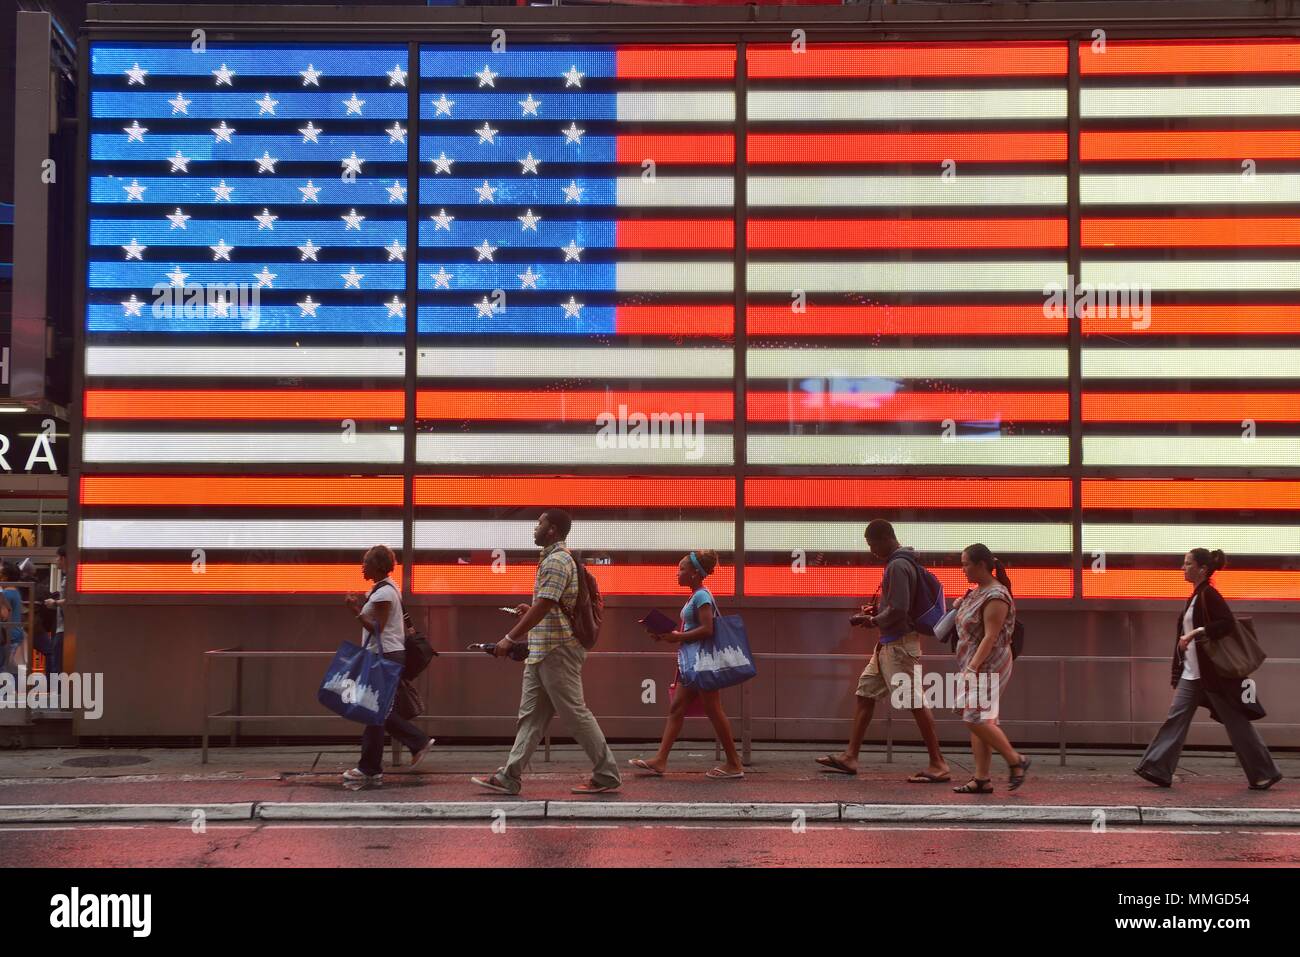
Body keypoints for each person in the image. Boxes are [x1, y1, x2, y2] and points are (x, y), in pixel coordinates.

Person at [472, 509, 622, 795]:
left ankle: (607, 774)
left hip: (558, 650)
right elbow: (548, 605)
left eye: (539, 523)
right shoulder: (553, 560)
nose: (535, 528)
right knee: (531, 717)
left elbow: (545, 604)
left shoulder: (557, 561)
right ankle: (510, 776)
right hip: (542, 650)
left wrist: (508, 638)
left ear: (552, 530)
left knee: (575, 714)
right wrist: (530, 612)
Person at [1135, 549, 1282, 791]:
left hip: (1213, 675)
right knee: (1176, 718)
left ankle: (1264, 772)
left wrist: (1196, 632)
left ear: (1202, 569)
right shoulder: (1194, 596)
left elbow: (1226, 623)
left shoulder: (1209, 594)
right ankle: (1157, 768)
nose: (1182, 568)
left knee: (1236, 722)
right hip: (1192, 675)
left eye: (1187, 563)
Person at [815, 520, 951, 783]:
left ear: (885, 538)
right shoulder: (903, 562)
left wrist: (873, 620)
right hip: (888, 643)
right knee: (865, 693)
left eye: (872, 544)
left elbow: (899, 608)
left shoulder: (898, 565)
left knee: (914, 702)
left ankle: (939, 763)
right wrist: (877, 613)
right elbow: (900, 606)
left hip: (898, 645)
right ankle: (850, 757)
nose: (871, 550)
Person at [628, 549, 745, 779]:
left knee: (713, 710)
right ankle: (660, 760)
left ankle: (734, 764)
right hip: (692, 664)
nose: (678, 572)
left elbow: (708, 629)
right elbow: (691, 629)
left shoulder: (702, 596)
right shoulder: (695, 595)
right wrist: (665, 635)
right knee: (677, 708)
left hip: (701, 664)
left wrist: (677, 637)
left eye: (682, 569)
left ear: (694, 573)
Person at [341, 544, 433, 789]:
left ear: (377, 565)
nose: (362, 566)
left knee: (374, 711)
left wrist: (354, 611)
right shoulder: (385, 589)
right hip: (387, 655)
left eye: (366, 562)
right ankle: (373, 767)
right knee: (375, 711)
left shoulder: (384, 593)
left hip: (385, 656)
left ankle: (413, 744)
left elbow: (377, 629)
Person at [950, 544, 1031, 794]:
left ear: (981, 565)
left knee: (975, 717)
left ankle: (1016, 760)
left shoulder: (997, 595)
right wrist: (958, 607)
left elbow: (991, 636)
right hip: (975, 663)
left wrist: (973, 667)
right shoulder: (978, 592)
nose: (962, 569)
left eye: (965, 564)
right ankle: (982, 778)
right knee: (981, 717)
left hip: (989, 664)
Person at [41, 547, 67, 676]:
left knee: (58, 665)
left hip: (64, 629)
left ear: (63, 558)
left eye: (57, 557)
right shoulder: (66, 578)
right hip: (61, 628)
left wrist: (55, 603)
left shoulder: (71, 579)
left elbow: (72, 600)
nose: (56, 560)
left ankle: (61, 693)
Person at [0, 561, 27, 680]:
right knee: (11, 668)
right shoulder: (15, 592)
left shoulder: (5, 593)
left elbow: (3, 615)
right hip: (16, 634)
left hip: (8, 636)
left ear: (5, 576)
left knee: (5, 668)